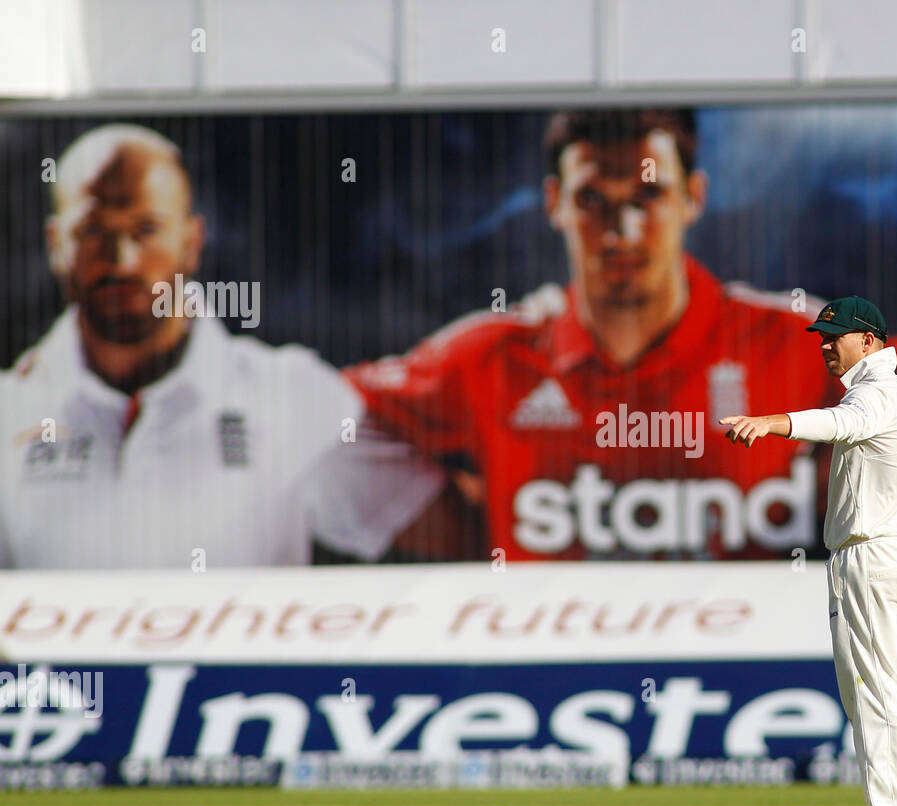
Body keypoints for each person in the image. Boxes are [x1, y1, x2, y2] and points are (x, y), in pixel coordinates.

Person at [347, 108, 842, 561]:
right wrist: (467, 530)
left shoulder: (798, 341)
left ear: (694, 197)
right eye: (592, 200)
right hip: (545, 653)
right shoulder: (492, 357)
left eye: (648, 196)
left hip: (739, 655)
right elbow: (329, 415)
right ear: (554, 203)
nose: (620, 232)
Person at [0, 123, 438, 569]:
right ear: (56, 243)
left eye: (146, 229)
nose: (123, 260)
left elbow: (480, 530)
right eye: (93, 231)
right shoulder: (7, 413)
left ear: (191, 242)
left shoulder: (292, 396)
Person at [721, 296, 897, 806]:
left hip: (871, 554)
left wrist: (770, 422)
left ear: (870, 342)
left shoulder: (879, 394)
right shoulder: (886, 393)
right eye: (822, 336)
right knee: (885, 685)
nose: (826, 345)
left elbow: (837, 424)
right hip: (885, 552)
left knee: (874, 688)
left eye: (837, 336)